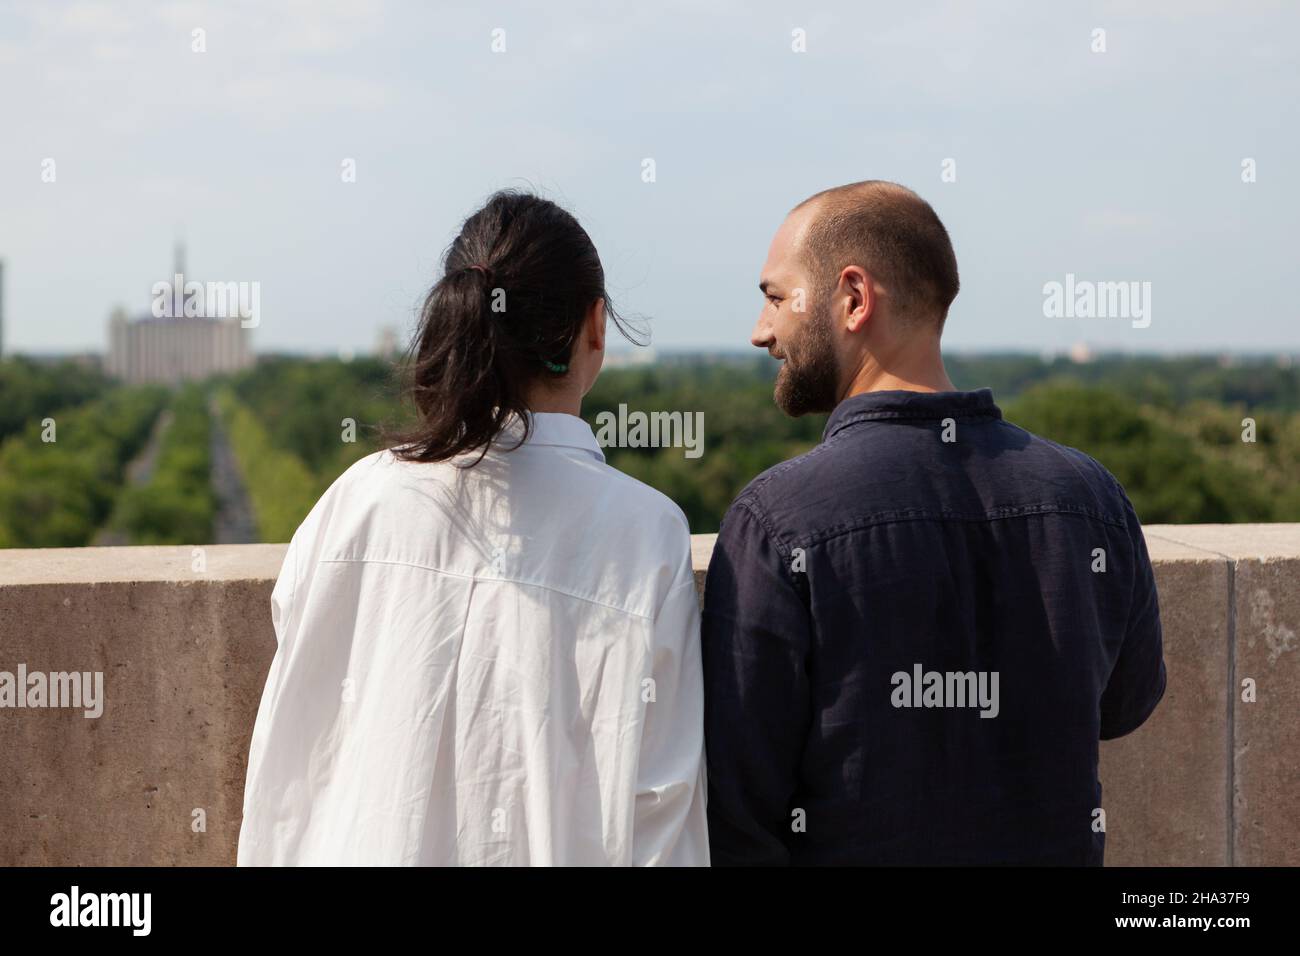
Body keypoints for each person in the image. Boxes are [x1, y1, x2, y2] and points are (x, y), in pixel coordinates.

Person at [702, 180, 1166, 865]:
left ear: (854, 299)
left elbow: (740, 811)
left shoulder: (780, 521)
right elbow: (1123, 706)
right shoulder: (1091, 499)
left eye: (775, 297)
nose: (759, 330)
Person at [238, 191, 708, 866]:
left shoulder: (357, 499)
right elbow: (662, 808)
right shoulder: (647, 536)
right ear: (595, 327)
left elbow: (290, 752)